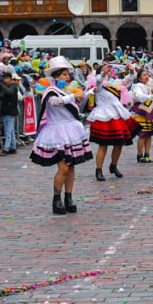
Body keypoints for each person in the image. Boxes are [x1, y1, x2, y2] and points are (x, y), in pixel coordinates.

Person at [31, 56, 92, 214]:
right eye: (64, 74)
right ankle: (56, 199)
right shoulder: (50, 90)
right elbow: (54, 102)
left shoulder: (67, 90)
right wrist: (73, 97)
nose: (67, 77)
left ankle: (68, 197)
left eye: (68, 74)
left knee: (71, 167)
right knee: (63, 168)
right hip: (57, 132)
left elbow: (75, 105)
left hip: (71, 130)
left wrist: (83, 94)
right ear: (56, 76)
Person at [87, 65, 135, 180]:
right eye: (104, 69)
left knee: (119, 143)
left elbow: (127, 81)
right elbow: (98, 82)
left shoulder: (114, 84)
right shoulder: (98, 85)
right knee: (103, 145)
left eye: (109, 70)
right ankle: (98, 170)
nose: (108, 71)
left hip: (117, 115)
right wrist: (103, 74)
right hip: (103, 116)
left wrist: (132, 71)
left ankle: (113, 165)